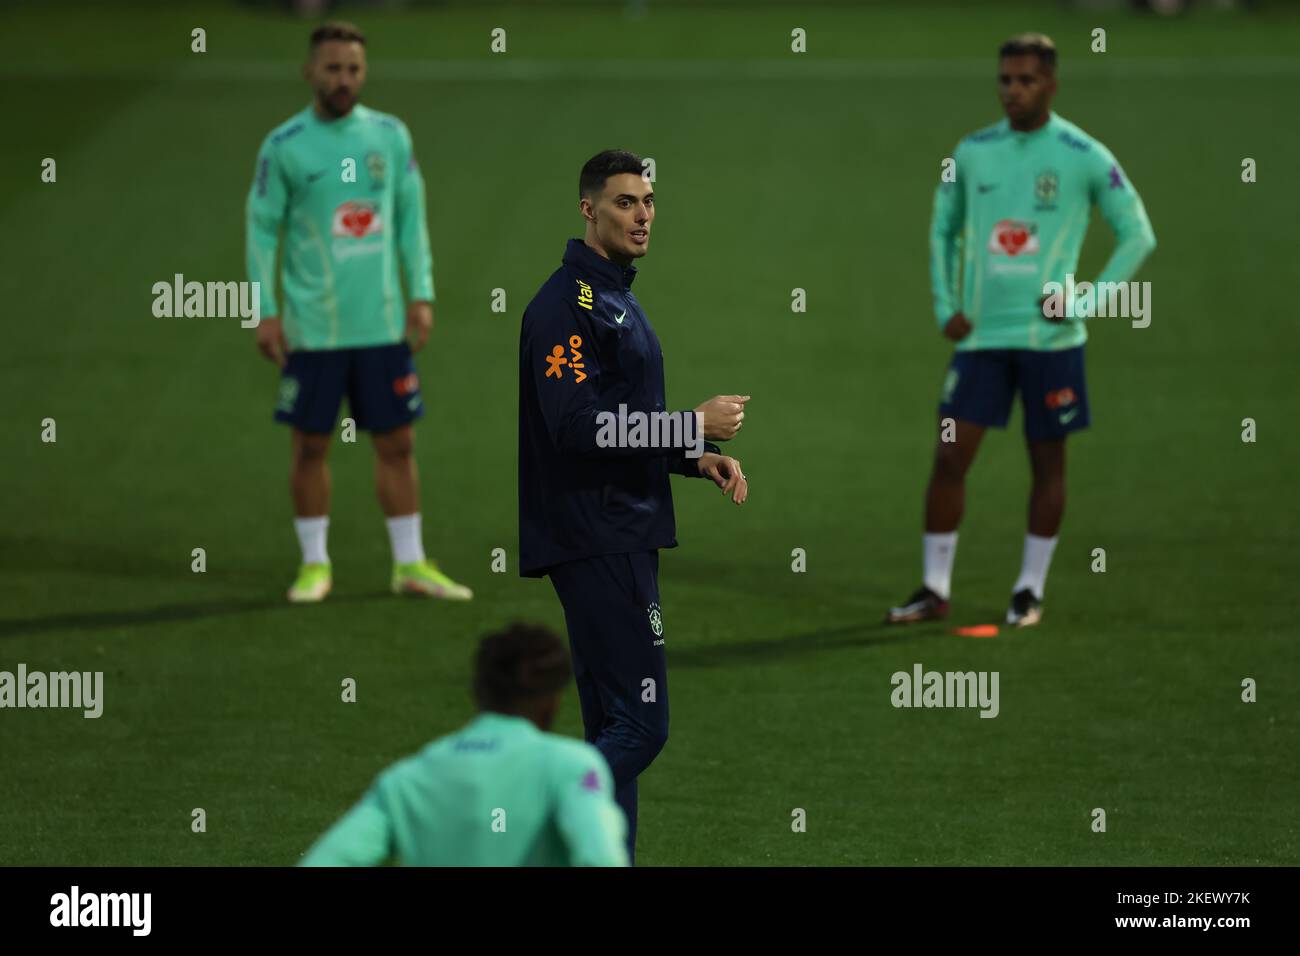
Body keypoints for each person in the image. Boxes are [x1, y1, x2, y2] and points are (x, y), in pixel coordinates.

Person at [518, 149, 750, 863]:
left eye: (648, 200)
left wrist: (689, 458)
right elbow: (576, 426)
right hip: (598, 535)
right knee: (643, 728)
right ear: (589, 210)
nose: (643, 214)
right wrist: (690, 425)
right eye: (625, 202)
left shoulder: (610, 294)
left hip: (617, 527)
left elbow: (619, 415)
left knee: (612, 726)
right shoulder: (565, 306)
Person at [887, 33, 1156, 628]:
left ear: (1051, 85)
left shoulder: (1082, 154)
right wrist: (944, 304)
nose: (1013, 90)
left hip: (1051, 344)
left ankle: (1029, 590)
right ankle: (934, 588)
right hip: (981, 339)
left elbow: (1138, 233)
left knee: (1048, 465)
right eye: (1005, 79)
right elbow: (942, 230)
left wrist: (1088, 298)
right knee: (950, 455)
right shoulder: (974, 151)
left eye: (1026, 80)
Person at [246, 21, 472, 604]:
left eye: (352, 69)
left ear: (362, 73)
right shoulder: (284, 145)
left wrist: (421, 294)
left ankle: (410, 565)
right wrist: (264, 310)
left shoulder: (390, 137)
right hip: (313, 329)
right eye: (331, 68)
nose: (342, 79)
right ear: (309, 71)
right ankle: (314, 565)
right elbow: (261, 229)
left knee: (398, 444)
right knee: (311, 447)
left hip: (382, 325)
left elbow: (410, 221)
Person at [300, 622, 628, 866]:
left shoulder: (407, 780)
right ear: (552, 703)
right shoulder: (570, 766)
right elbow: (601, 857)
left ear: (477, 693)